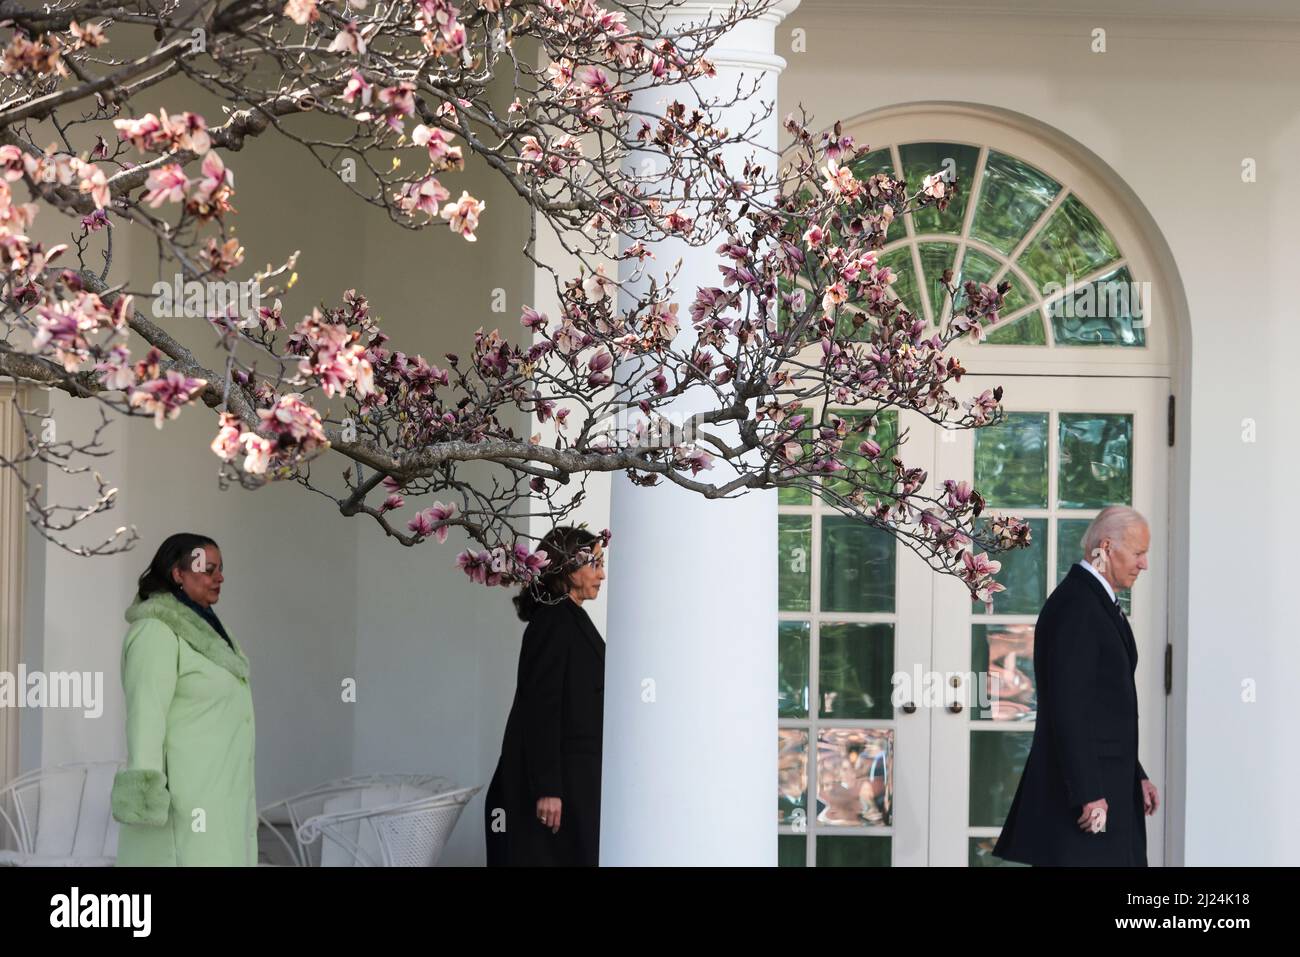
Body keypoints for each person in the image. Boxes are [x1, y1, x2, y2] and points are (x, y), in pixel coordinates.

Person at [993, 505, 1160, 866]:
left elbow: (1104, 710)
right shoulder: (1077, 607)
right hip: (1085, 803)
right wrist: (1089, 795)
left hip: (1107, 789)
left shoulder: (1096, 602)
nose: (1144, 564)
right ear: (1107, 547)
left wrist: (1136, 775)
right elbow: (1070, 709)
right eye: (1138, 553)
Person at [109, 533, 257, 866]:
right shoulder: (156, 632)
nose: (219, 578)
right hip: (186, 803)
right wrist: (145, 798)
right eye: (208, 569)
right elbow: (146, 717)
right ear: (178, 573)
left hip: (223, 799)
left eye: (220, 569)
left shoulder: (211, 630)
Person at [485, 526, 607, 866]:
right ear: (568, 569)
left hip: (572, 782)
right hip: (556, 789)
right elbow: (542, 707)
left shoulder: (568, 618)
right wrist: (548, 788)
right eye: (594, 565)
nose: (602, 574)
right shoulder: (554, 621)